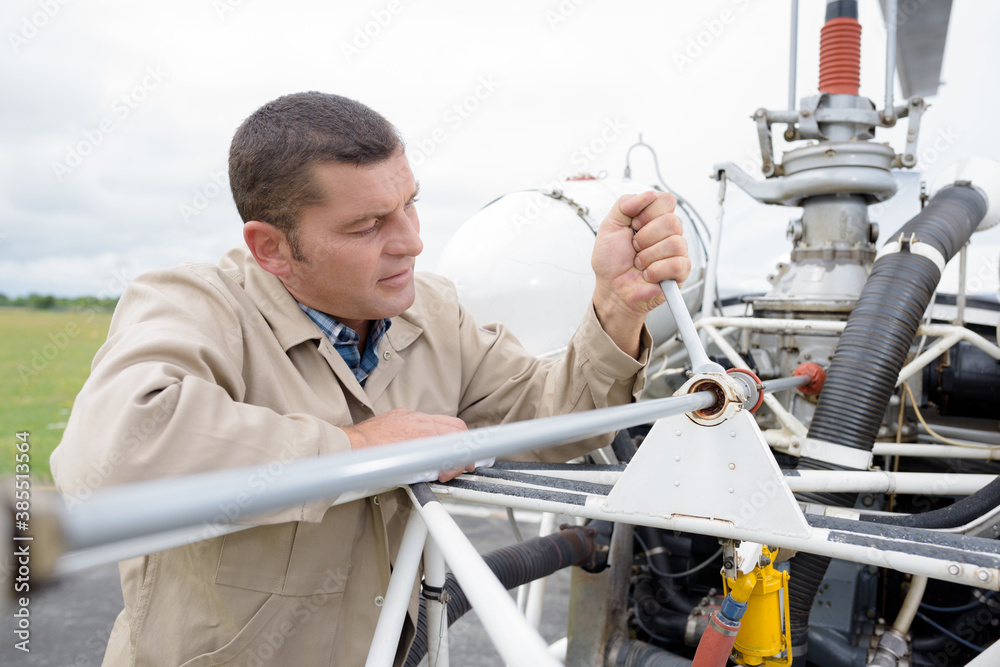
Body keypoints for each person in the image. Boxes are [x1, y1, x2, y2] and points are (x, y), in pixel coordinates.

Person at [50, 91, 691, 666]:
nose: (411, 241)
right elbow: (108, 458)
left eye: (410, 205)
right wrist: (355, 450)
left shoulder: (434, 311)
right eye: (368, 225)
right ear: (271, 248)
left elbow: (554, 417)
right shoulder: (196, 303)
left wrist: (616, 305)